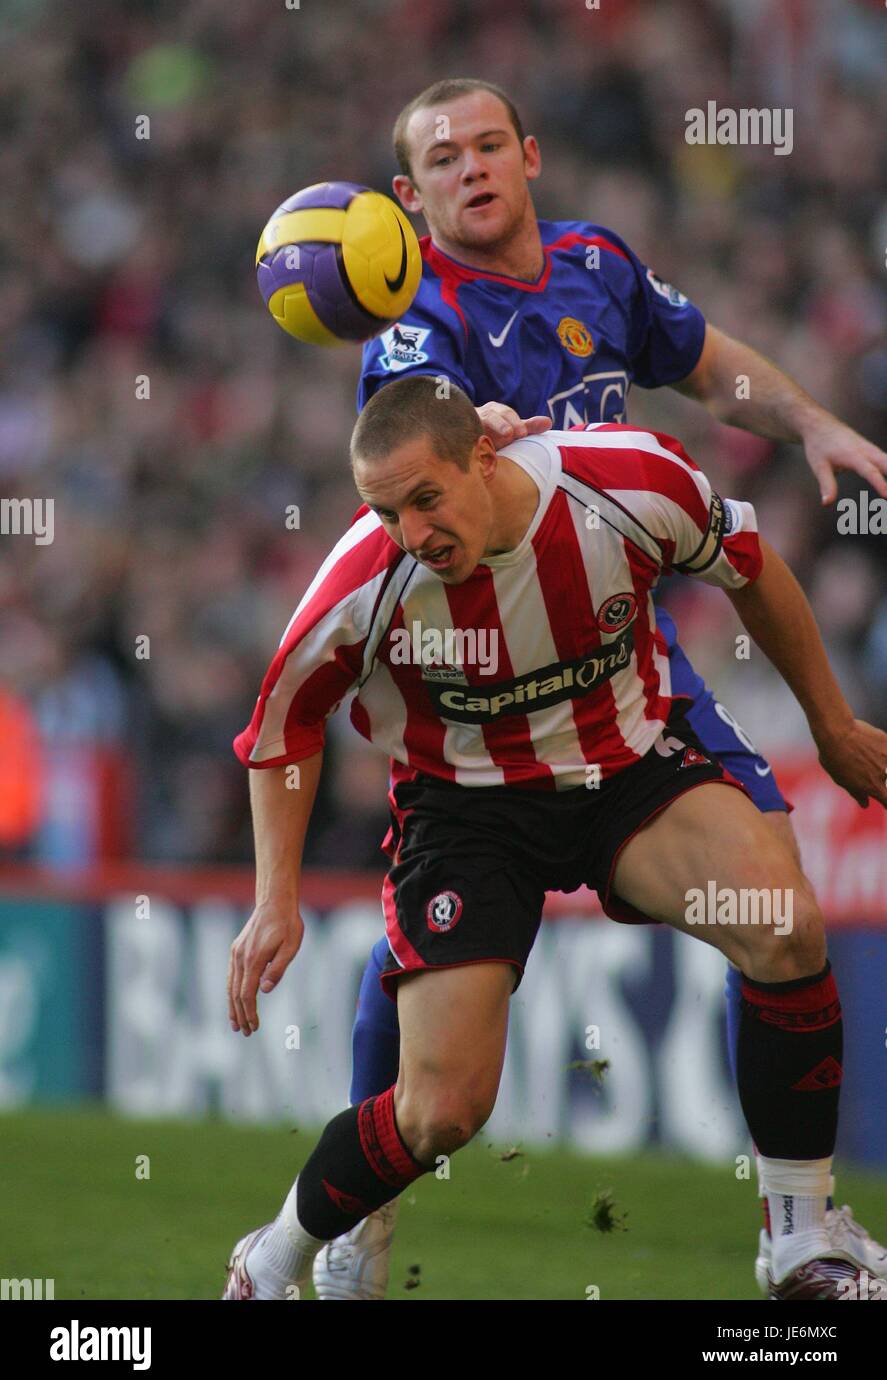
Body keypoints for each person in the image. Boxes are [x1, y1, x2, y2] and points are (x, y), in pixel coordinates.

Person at [315, 77, 887, 1299]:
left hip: (618, 673)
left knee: (780, 921)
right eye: (440, 160)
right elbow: (409, 433)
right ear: (408, 203)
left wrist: (808, 423)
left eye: (487, 145)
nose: (471, 168)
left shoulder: (593, 265)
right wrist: (480, 428)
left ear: (528, 156)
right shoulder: (410, 320)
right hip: (476, 701)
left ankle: (797, 1232)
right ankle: (353, 1218)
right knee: (434, 1039)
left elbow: (705, 363)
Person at [224, 376, 887, 1301]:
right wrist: (274, 900)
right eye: (387, 511)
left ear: (485, 457)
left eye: (426, 498)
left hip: (626, 773)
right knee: (441, 1113)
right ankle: (274, 1256)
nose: (413, 533)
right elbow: (281, 731)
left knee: (781, 926)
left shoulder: (624, 483)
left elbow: (752, 567)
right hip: (467, 815)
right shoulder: (362, 583)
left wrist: (832, 726)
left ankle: (799, 1242)